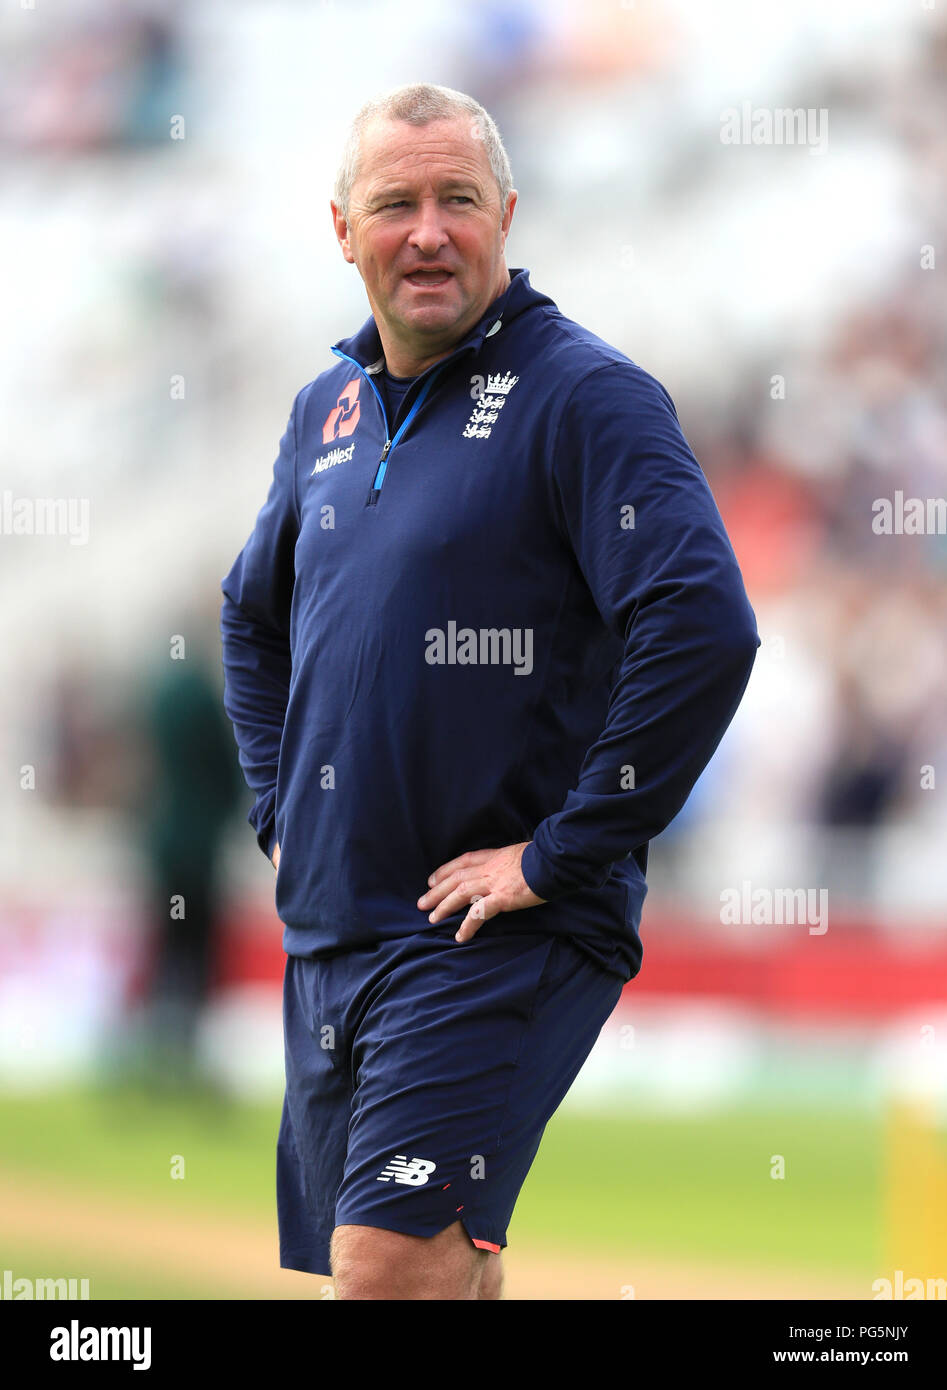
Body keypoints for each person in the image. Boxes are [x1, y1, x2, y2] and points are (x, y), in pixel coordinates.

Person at [220, 82, 760, 1300]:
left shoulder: (585, 396)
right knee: (434, 1275)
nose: (427, 231)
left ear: (506, 215)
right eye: (395, 203)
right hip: (334, 929)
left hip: (487, 933)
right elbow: (248, 617)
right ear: (341, 230)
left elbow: (704, 623)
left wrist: (560, 852)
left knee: (383, 1273)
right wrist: (279, 806)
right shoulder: (327, 409)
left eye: (456, 199)